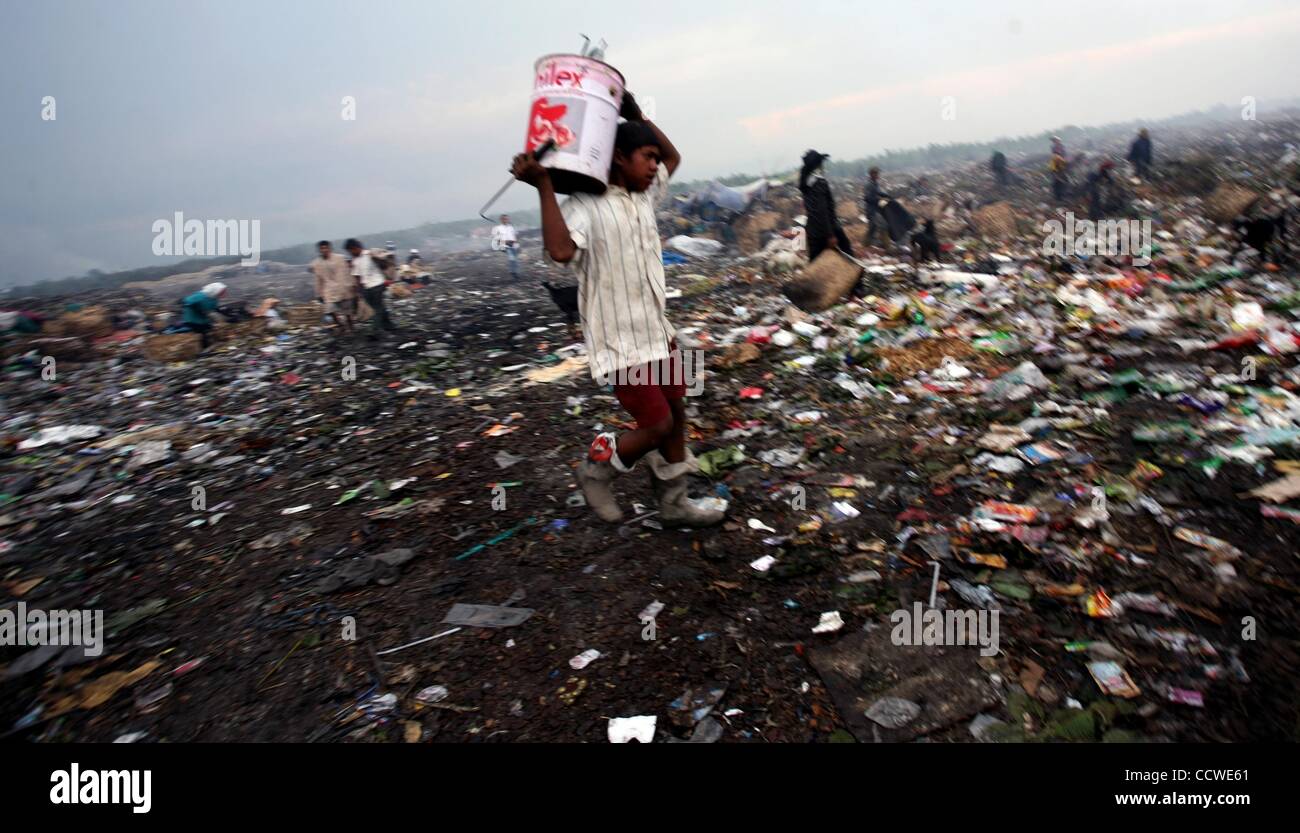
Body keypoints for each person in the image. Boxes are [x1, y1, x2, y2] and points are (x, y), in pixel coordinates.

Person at [510, 90, 723, 528]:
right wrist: (544, 185)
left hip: (656, 331)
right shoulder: (587, 206)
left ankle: (674, 503)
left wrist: (636, 114)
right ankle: (596, 468)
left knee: (678, 415)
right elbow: (560, 251)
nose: (654, 165)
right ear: (618, 158)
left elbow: (673, 157)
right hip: (621, 342)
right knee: (658, 425)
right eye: (645, 156)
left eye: (652, 158)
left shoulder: (643, 197)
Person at [799, 150, 851, 261]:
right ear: (818, 165)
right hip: (825, 229)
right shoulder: (819, 183)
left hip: (813, 230)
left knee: (815, 262)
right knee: (848, 257)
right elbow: (822, 211)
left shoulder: (806, 183)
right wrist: (830, 235)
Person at [345, 238, 395, 338]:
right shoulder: (356, 261)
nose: (351, 252)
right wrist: (358, 290)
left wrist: (389, 276)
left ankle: (374, 330)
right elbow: (357, 276)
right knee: (378, 307)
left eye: (351, 250)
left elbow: (387, 259)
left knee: (377, 308)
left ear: (356, 247)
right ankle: (389, 325)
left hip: (378, 284)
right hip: (366, 287)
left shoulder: (371, 254)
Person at [311, 240, 356, 338]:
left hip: (343, 287)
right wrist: (318, 294)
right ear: (319, 250)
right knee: (330, 310)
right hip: (329, 290)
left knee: (347, 311)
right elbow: (318, 279)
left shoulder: (340, 258)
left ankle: (351, 328)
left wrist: (353, 284)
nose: (324, 250)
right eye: (322, 248)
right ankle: (340, 326)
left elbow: (349, 271)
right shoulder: (317, 263)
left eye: (326, 248)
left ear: (330, 248)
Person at [181, 282, 226, 348]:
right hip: (193, 319)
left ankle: (209, 347)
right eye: (222, 292)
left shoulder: (213, 298)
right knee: (203, 334)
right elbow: (187, 302)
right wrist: (197, 308)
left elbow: (214, 308)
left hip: (202, 319)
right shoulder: (201, 296)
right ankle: (204, 350)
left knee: (210, 330)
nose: (223, 294)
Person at [863, 166, 891, 248]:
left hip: (876, 210)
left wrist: (887, 196)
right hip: (872, 211)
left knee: (874, 228)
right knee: (881, 226)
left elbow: (879, 192)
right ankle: (887, 246)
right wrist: (879, 199)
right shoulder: (869, 185)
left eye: (878, 173)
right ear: (871, 174)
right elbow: (867, 198)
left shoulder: (875, 184)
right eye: (876, 173)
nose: (878, 175)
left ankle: (866, 245)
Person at [491, 214, 520, 279]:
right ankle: (513, 272)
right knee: (512, 258)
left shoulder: (511, 227)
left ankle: (515, 272)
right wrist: (505, 242)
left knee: (515, 259)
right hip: (505, 246)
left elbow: (514, 236)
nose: (506, 220)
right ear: (501, 220)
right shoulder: (498, 228)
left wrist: (517, 244)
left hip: (513, 245)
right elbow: (496, 239)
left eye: (507, 219)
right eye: (504, 219)